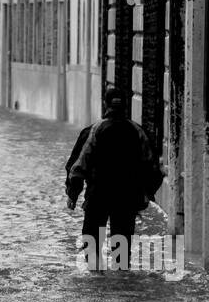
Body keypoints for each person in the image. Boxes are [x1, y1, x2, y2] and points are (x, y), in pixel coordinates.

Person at [65, 87, 163, 270]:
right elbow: (154, 168)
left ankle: (97, 280)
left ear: (105, 104)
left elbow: (78, 166)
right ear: (126, 106)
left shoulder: (94, 130)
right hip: (127, 199)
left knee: (91, 240)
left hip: (98, 196)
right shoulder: (138, 131)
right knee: (121, 249)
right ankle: (121, 286)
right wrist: (147, 194)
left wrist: (72, 194)